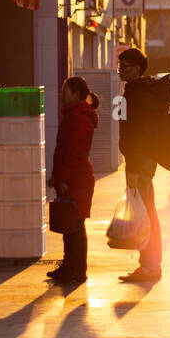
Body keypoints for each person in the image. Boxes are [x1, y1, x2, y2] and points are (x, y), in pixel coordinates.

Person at [116, 47, 170, 283]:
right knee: (145, 211)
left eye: (126, 66)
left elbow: (137, 132)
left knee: (145, 212)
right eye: (120, 65)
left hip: (140, 160)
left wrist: (133, 167)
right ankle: (149, 264)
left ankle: (150, 266)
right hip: (144, 158)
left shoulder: (136, 93)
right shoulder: (141, 90)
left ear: (138, 68)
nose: (122, 70)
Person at [46, 77, 100, 285]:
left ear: (77, 94)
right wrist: (57, 176)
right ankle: (69, 266)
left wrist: (64, 178)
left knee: (76, 226)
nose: (62, 95)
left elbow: (76, 151)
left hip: (77, 179)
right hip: (71, 177)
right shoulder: (73, 115)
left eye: (66, 91)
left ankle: (79, 270)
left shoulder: (79, 117)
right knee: (69, 225)